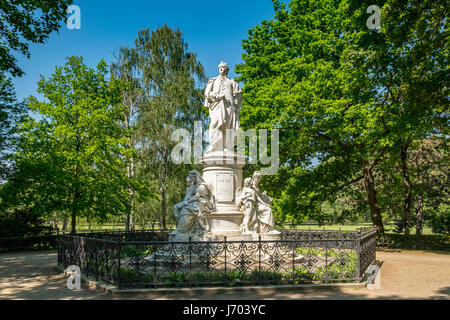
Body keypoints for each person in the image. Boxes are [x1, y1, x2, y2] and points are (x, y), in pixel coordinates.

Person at [204, 61, 243, 153]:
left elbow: (239, 94)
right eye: (219, 68)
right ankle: (214, 145)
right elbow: (207, 93)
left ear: (226, 70)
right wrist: (216, 96)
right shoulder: (213, 81)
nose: (221, 69)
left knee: (228, 126)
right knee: (215, 123)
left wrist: (234, 101)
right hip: (217, 105)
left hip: (229, 106)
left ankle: (227, 147)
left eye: (223, 68)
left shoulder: (232, 82)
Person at [173, 170, 214, 237]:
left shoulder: (202, 186)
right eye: (190, 177)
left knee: (186, 209)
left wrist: (187, 202)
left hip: (203, 202)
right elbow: (188, 195)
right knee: (176, 207)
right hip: (194, 201)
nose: (191, 179)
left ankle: (183, 230)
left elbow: (196, 197)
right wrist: (185, 201)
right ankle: (181, 228)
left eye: (192, 177)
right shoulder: (193, 186)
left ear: (196, 177)